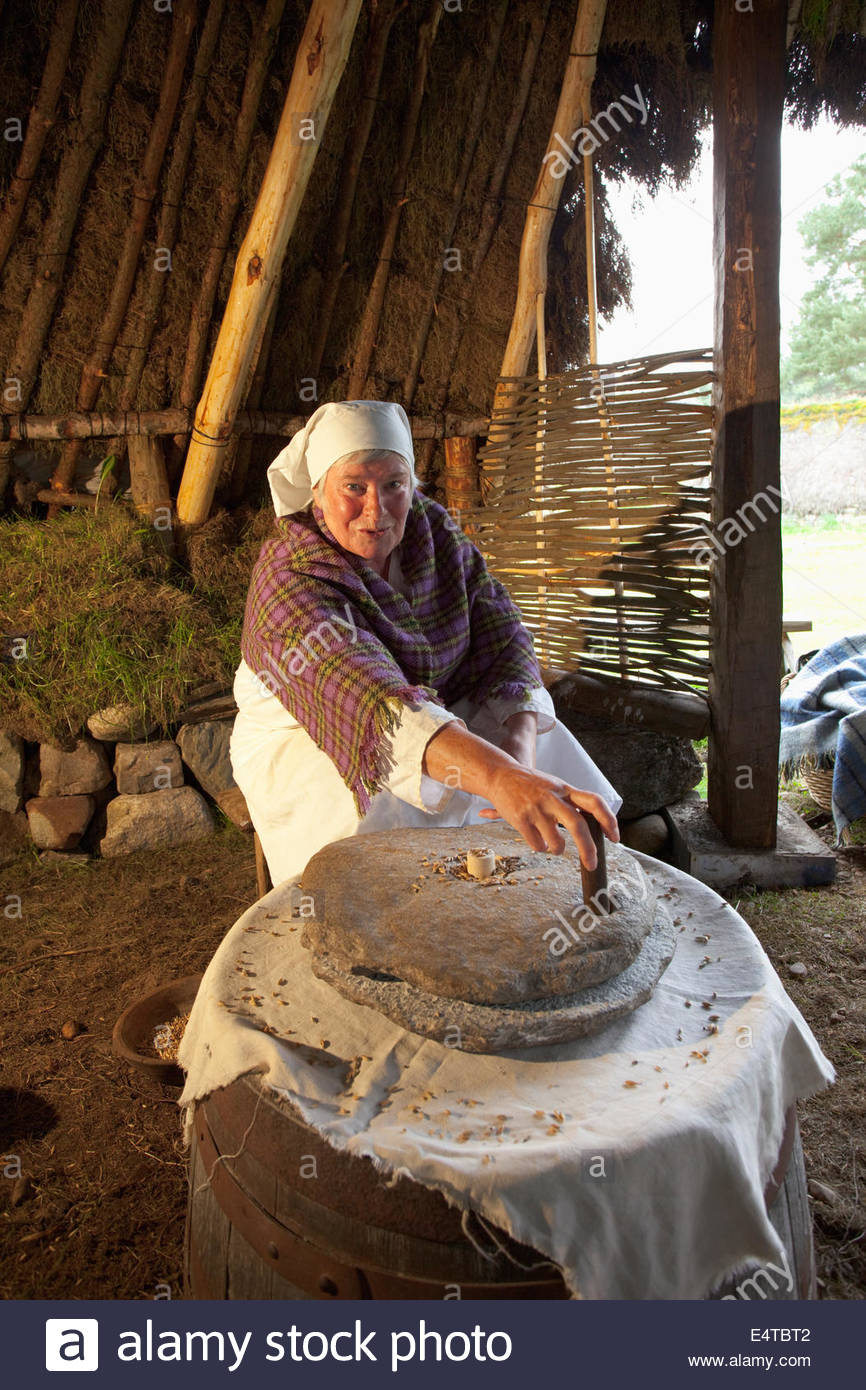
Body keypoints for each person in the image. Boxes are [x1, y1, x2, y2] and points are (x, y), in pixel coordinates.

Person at [229, 400, 622, 886]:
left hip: (429, 698)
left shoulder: (430, 529)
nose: (376, 509)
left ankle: (527, 896)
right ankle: (393, 927)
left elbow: (502, 628)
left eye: (394, 485)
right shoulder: (290, 575)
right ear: (317, 492)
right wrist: (500, 778)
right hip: (315, 728)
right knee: (380, 805)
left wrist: (518, 752)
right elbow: (372, 703)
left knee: (543, 744)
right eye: (354, 487)